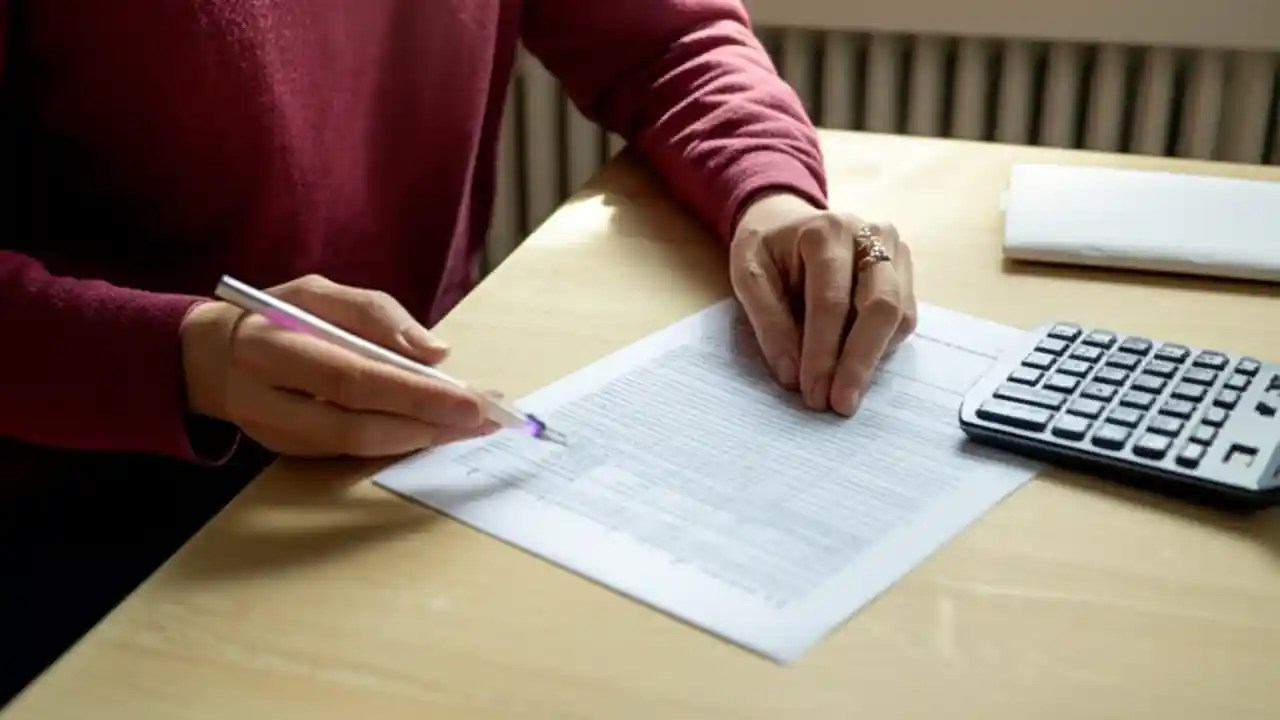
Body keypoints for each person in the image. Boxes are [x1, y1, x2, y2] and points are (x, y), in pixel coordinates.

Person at [0, 0, 917, 704]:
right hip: (77, 518)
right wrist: (179, 355)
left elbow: (666, 37)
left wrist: (773, 195)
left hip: (409, 452)